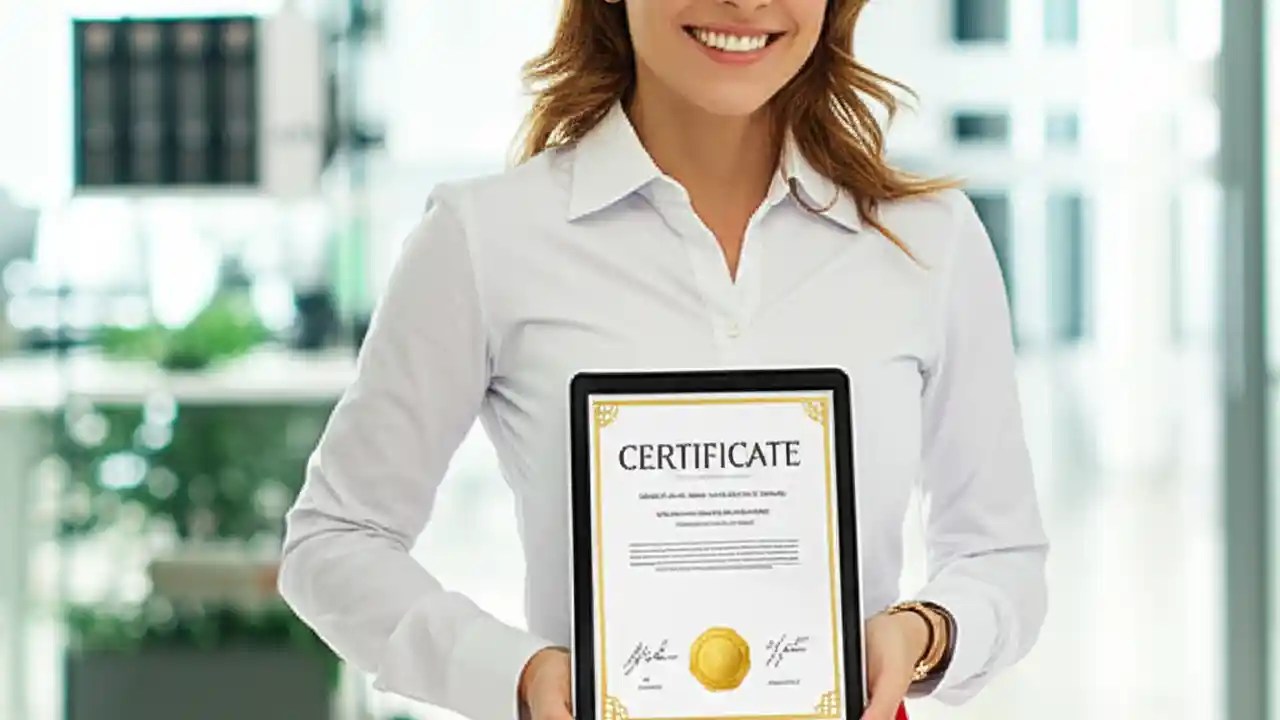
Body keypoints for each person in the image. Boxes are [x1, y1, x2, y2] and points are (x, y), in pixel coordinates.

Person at [278, 1, 1050, 719]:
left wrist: (927, 632)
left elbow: (1001, 553)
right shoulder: (485, 238)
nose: (744, 3)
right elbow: (334, 541)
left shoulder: (928, 238)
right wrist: (517, 673)